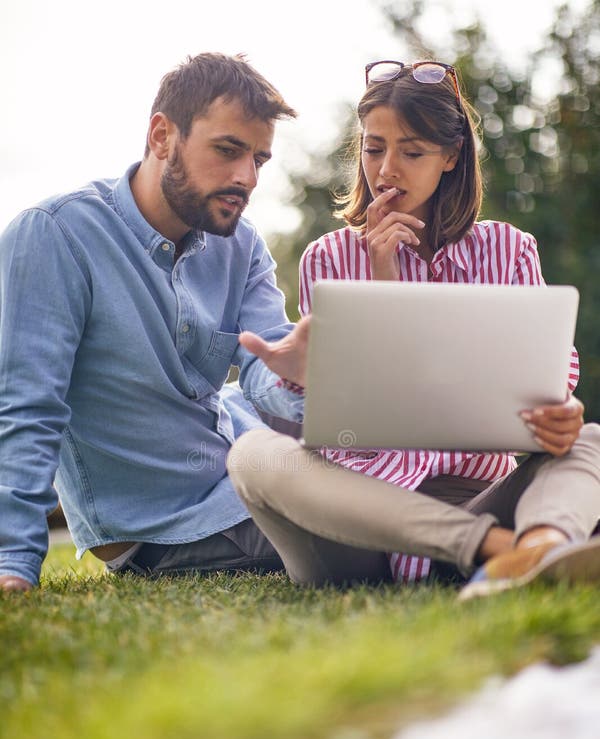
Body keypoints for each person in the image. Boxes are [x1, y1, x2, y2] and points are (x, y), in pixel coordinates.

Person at [227, 59, 600, 600]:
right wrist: (306, 372)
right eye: (374, 148)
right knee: (252, 455)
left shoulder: (510, 251)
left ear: (451, 157)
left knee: (591, 439)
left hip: (478, 491)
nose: (387, 170)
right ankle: (502, 552)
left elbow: (552, 376)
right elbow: (345, 411)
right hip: (359, 522)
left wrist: (559, 416)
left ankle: (545, 546)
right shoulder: (327, 258)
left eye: (413, 152)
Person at [0, 52, 306, 594]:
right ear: (162, 136)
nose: (246, 178)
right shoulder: (55, 236)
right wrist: (13, 564)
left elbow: (266, 369)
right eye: (228, 150)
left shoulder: (242, 243)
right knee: (367, 528)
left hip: (242, 468)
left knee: (400, 476)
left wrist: (299, 374)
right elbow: (27, 407)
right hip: (161, 525)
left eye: (259, 159)